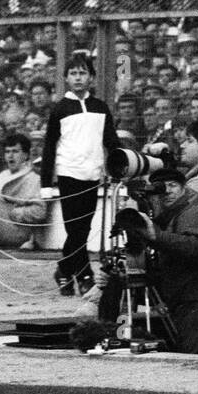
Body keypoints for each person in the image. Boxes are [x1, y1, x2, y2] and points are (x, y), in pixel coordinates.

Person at [98, 168, 198, 353]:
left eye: (173, 185)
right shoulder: (164, 218)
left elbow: (197, 248)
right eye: (162, 187)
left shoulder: (195, 212)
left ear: (184, 188)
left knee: (192, 350)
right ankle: (112, 336)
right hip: (179, 299)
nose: (168, 191)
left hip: (194, 301)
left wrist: (157, 237)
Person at [39, 53, 120, 295]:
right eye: (73, 73)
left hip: (93, 175)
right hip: (68, 174)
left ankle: (64, 269)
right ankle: (85, 275)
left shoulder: (100, 107)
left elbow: (111, 141)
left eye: (82, 72)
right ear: (65, 78)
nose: (78, 77)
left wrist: (118, 168)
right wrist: (46, 183)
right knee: (75, 229)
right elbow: (49, 147)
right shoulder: (60, 109)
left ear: (91, 77)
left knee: (82, 230)